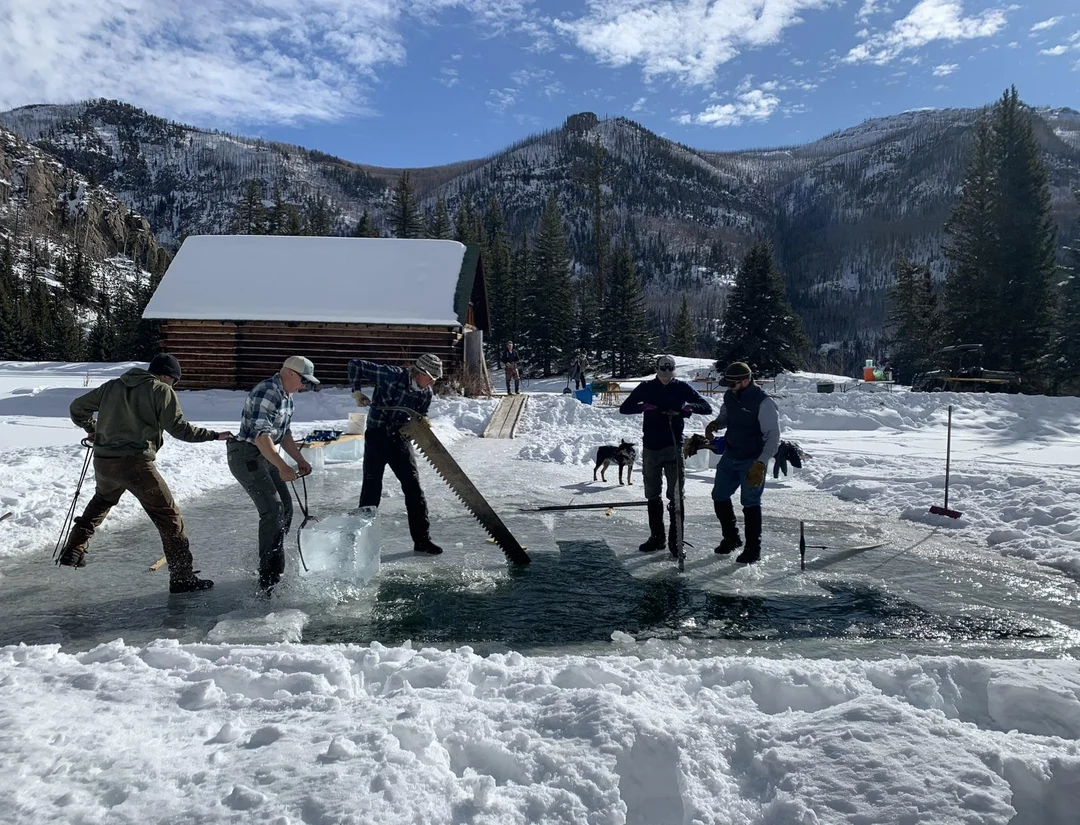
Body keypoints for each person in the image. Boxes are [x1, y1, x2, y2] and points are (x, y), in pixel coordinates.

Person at [56, 354, 232, 593]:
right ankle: (182, 577)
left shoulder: (113, 386)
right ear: (165, 375)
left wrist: (92, 428)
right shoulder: (161, 390)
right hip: (136, 464)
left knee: (103, 500)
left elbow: (77, 407)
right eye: (174, 381)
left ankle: (75, 547)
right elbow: (180, 429)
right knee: (169, 518)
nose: (173, 386)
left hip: (104, 462)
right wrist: (213, 435)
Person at [227, 356, 317, 590]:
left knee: (286, 506)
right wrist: (283, 467)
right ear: (290, 374)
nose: (304, 386)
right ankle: (269, 577)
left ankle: (272, 552)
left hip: (264, 454)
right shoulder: (266, 392)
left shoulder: (288, 397)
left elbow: (283, 434)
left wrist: (299, 460)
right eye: (303, 380)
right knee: (273, 509)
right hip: (246, 455)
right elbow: (261, 437)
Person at [349, 353, 444, 555]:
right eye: (431, 378)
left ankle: (422, 540)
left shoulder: (426, 394)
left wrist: (422, 422)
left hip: (400, 439)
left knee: (414, 489)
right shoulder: (390, 375)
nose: (432, 383)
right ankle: (360, 541)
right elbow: (355, 363)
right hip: (376, 436)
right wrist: (356, 392)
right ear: (420, 373)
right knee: (371, 489)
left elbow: (420, 415)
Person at [619, 355, 711, 555]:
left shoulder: (682, 387)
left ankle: (676, 541)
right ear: (657, 370)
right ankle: (656, 538)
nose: (665, 376)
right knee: (653, 495)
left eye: (669, 373)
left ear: (673, 371)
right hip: (651, 447)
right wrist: (642, 407)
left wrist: (690, 408)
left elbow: (706, 407)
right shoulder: (646, 387)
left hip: (673, 447)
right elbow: (624, 408)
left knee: (676, 495)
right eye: (662, 372)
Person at [704, 361, 781, 564]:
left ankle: (753, 549)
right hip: (731, 455)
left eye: (732, 384)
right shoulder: (730, 396)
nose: (728, 388)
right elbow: (726, 416)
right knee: (719, 496)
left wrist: (761, 463)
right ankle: (732, 538)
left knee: (750, 503)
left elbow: (773, 437)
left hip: (752, 459)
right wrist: (716, 424)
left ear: (745, 381)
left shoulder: (763, 402)